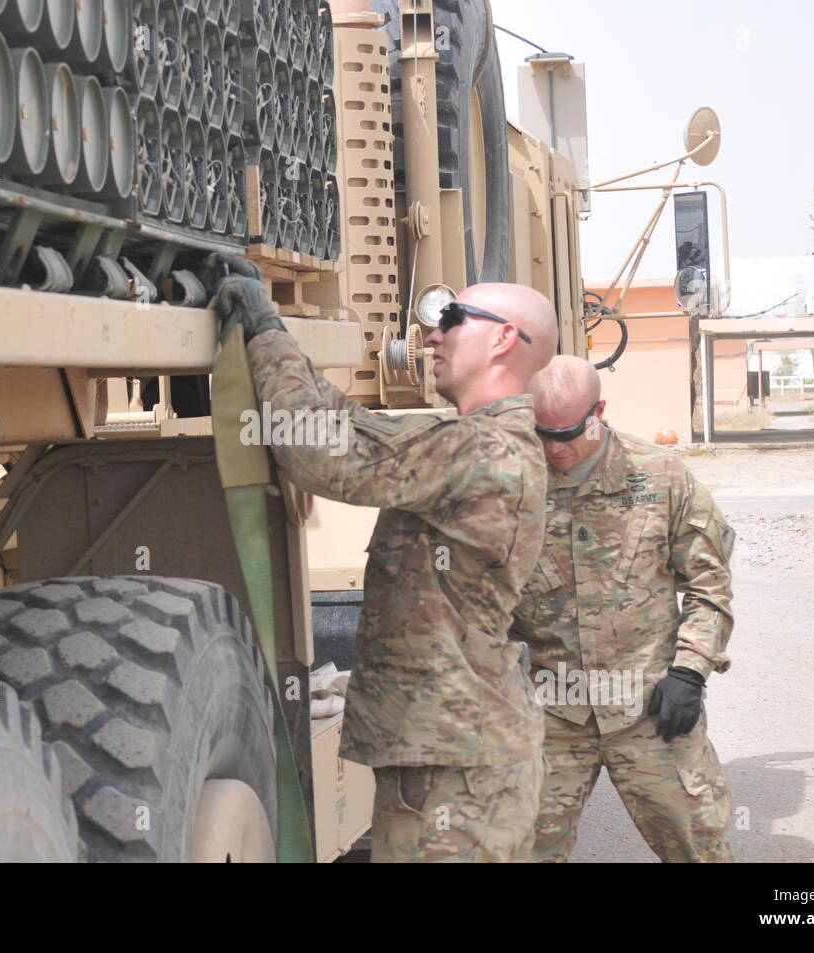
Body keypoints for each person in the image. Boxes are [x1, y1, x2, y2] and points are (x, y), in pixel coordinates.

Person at [207, 255, 557, 862]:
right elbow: (353, 427)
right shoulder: (474, 442)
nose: (432, 331)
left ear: (505, 339)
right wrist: (278, 334)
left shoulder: (479, 450)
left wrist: (263, 328)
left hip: (456, 770)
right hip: (453, 754)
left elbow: (320, 452)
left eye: (452, 316)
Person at [512, 354, 736, 862]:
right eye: (541, 432)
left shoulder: (661, 476)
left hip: (650, 707)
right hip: (551, 711)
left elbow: (709, 585)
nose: (554, 447)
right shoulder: (512, 484)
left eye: (567, 432)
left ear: (599, 410)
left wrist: (691, 672)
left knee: (699, 847)